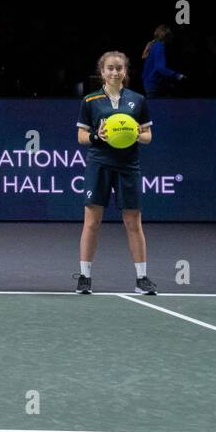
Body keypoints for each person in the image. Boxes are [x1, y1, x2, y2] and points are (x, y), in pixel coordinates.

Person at [75, 52, 156, 295]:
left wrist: (135, 136)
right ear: (102, 72)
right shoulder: (90, 101)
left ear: (125, 72)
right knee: (92, 221)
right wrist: (95, 136)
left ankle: (141, 278)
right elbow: (81, 137)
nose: (114, 72)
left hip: (128, 165)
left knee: (133, 221)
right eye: (110, 68)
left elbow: (148, 136)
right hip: (99, 163)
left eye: (119, 68)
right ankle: (84, 277)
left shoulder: (138, 100)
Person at [142, 25, 184, 97]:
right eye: (171, 34)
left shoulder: (153, 46)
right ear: (165, 35)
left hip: (150, 85)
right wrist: (178, 76)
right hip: (154, 86)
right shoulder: (159, 46)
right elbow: (160, 68)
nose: (173, 36)